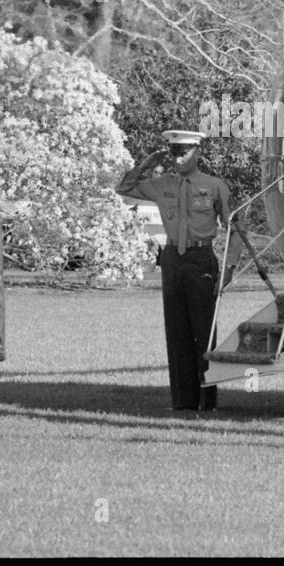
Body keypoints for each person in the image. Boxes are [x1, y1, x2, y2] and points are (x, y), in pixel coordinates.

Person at [117, 129, 231, 411]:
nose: (179, 159)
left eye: (185, 153)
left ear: (197, 152)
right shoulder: (161, 184)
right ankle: (183, 402)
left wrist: (228, 268)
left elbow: (235, 229)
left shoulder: (214, 186)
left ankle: (208, 400)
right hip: (172, 258)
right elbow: (124, 188)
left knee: (204, 330)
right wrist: (145, 163)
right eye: (175, 153)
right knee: (177, 331)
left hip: (201, 257)